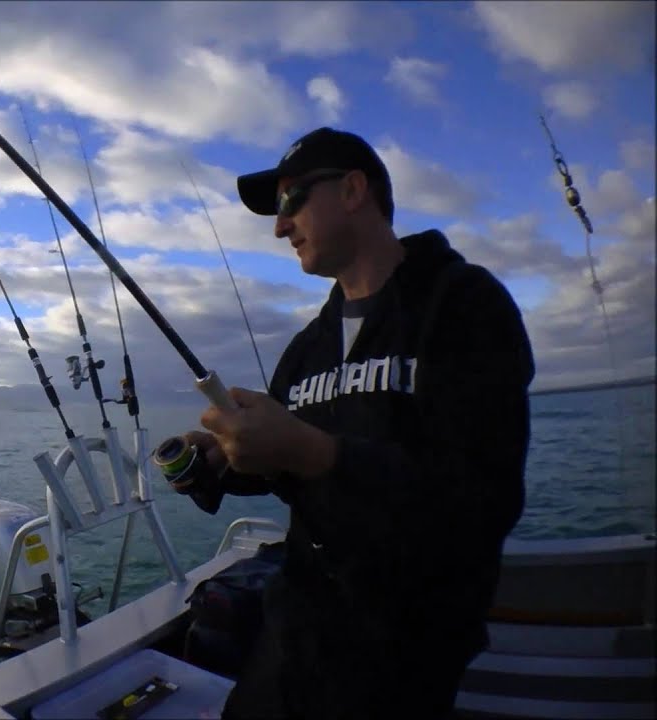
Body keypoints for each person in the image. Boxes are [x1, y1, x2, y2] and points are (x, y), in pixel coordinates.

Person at [174, 127, 535, 719]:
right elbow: (285, 463)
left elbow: (481, 499)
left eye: (290, 200)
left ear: (352, 191)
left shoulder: (465, 305)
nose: (278, 226)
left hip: (408, 649)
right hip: (296, 633)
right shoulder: (308, 347)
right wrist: (223, 458)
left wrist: (312, 451)